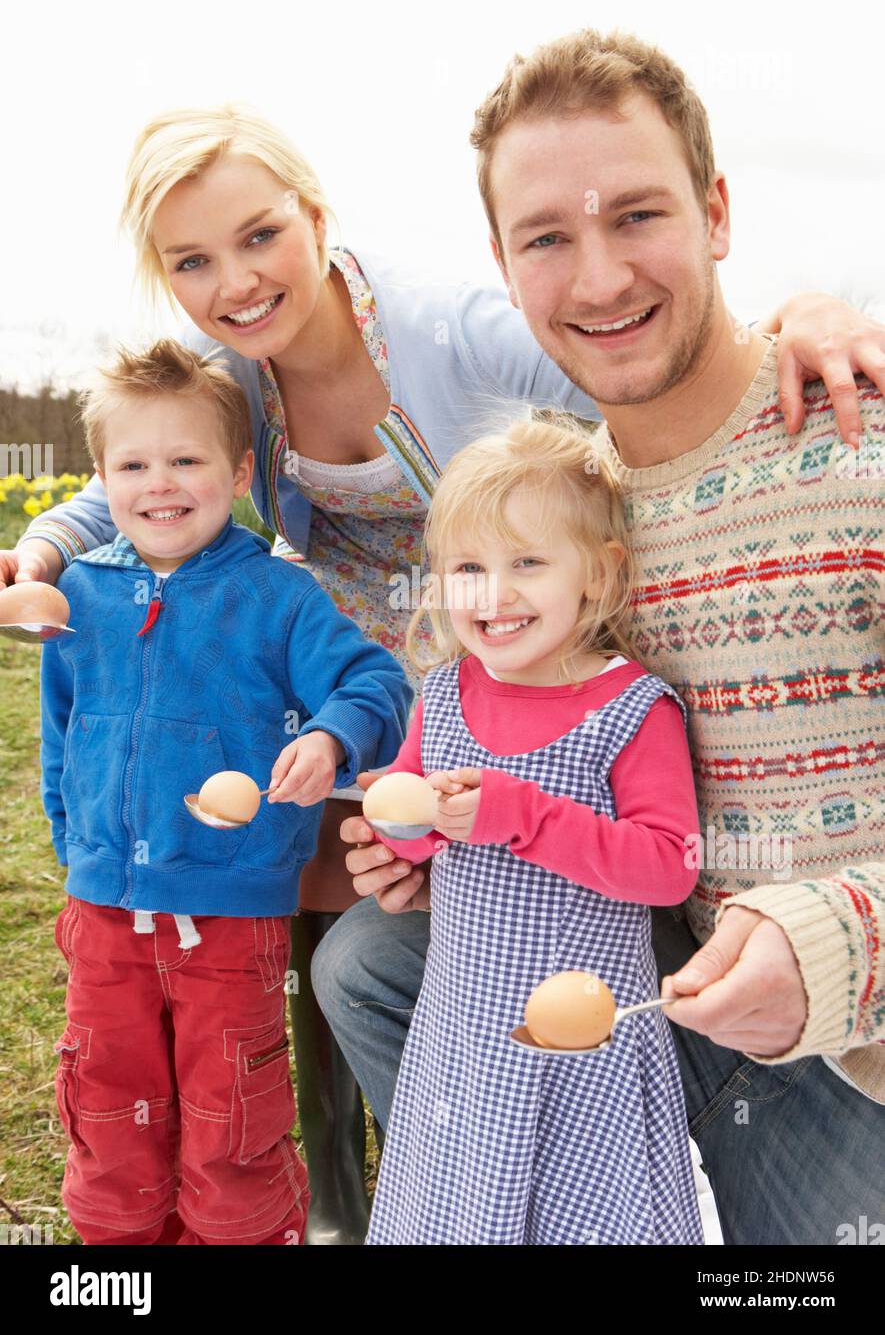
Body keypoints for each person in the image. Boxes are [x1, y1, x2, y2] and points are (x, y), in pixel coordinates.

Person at [2, 104, 880, 1242]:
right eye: (193, 261)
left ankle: (549, 1153)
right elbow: (124, 470)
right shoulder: (238, 374)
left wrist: (798, 317)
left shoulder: (454, 332)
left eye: (260, 235)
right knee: (344, 918)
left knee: (383, 917)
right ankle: (403, 1182)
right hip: (400, 690)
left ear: (317, 219)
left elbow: (635, 348)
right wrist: (47, 550)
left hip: (520, 659)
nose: (237, 279)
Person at [327, 28, 885, 1245]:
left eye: (637, 215)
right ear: (502, 263)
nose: (595, 280)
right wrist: (427, 846)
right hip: (632, 983)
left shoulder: (858, 447)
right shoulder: (562, 525)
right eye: (547, 237)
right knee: (368, 958)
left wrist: (845, 934)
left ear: (718, 212)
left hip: (850, 1052)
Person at [42, 339, 411, 1244]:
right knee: (108, 1094)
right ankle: (120, 1252)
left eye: (186, 460)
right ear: (101, 477)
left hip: (232, 917)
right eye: (134, 464)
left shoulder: (277, 598)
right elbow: (61, 735)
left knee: (229, 1108)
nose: (159, 483)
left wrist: (330, 737)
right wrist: (74, 841)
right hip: (102, 913)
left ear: (240, 471)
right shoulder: (78, 596)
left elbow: (375, 685)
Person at [361, 414, 705, 1244]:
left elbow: (668, 867)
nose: (493, 593)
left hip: (586, 1046)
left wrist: (518, 813)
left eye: (527, 564)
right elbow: (406, 829)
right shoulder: (444, 695)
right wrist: (410, 826)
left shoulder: (629, 709)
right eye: (468, 567)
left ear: (596, 574)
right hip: (464, 1032)